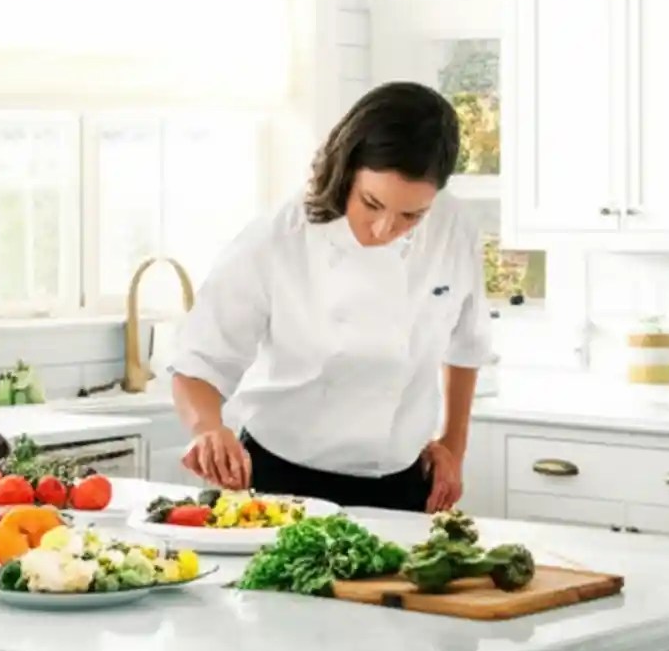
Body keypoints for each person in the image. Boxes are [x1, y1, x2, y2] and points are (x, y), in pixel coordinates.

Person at [167, 81, 493, 513]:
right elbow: (197, 362)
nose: (384, 228)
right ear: (347, 168)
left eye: (411, 215)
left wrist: (453, 447)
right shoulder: (279, 237)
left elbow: (466, 345)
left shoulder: (454, 226)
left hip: (404, 485)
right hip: (283, 481)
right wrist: (207, 429)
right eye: (371, 203)